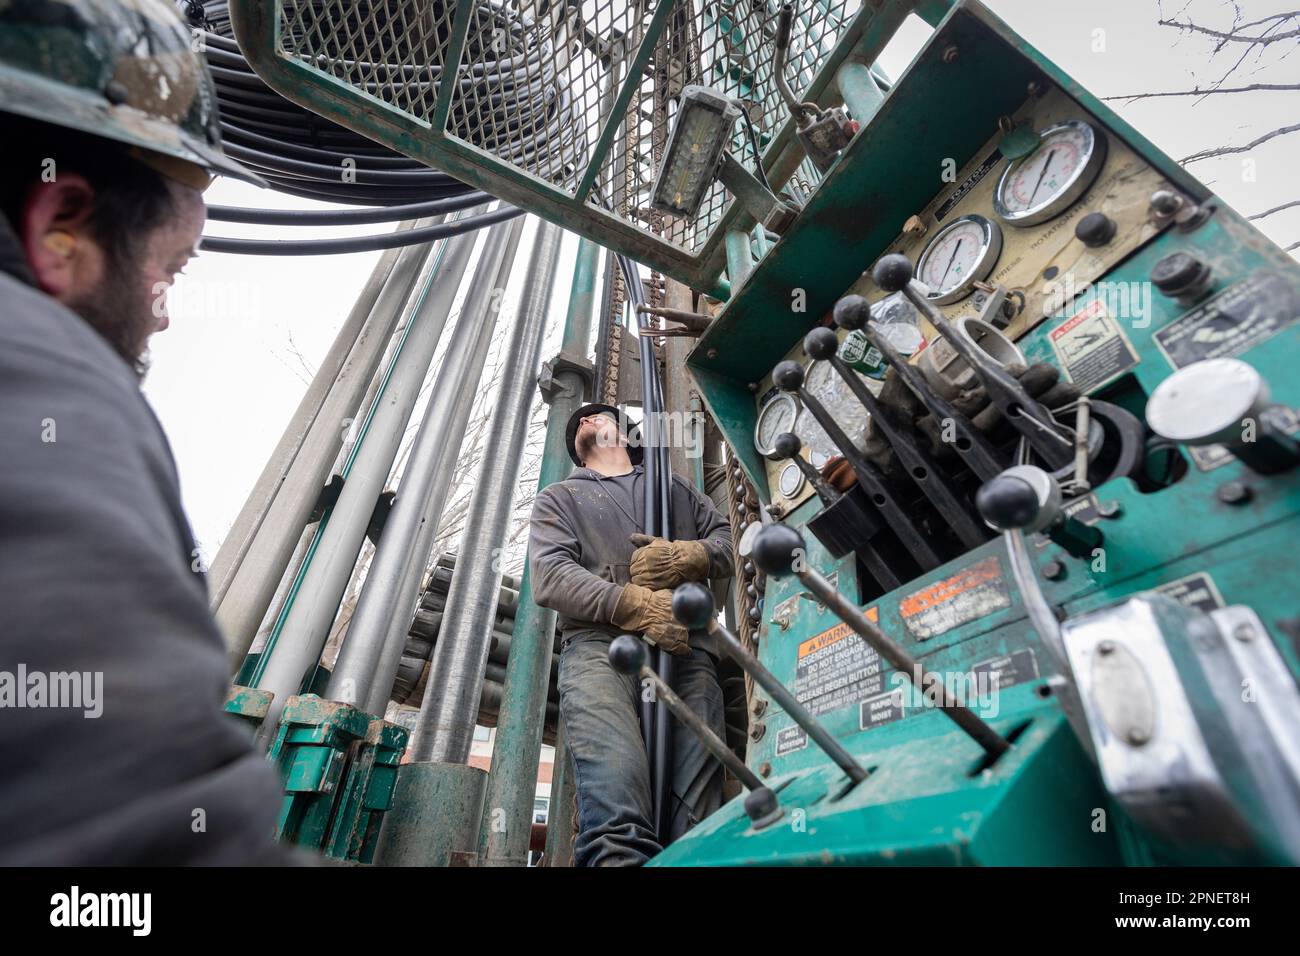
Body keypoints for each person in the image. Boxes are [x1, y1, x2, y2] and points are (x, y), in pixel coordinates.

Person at [0, 0, 296, 864]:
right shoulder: (39, 363)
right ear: (62, 228)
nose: (162, 318)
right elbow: (130, 850)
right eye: (169, 270)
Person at [528, 403, 734, 866]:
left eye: (599, 415)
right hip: (600, 650)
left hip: (687, 651)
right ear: (576, 454)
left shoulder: (677, 490)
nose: (586, 419)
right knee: (615, 796)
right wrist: (634, 604)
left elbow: (730, 543)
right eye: (578, 421)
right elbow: (552, 576)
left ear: (625, 432)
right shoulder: (561, 498)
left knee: (697, 821)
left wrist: (690, 556)